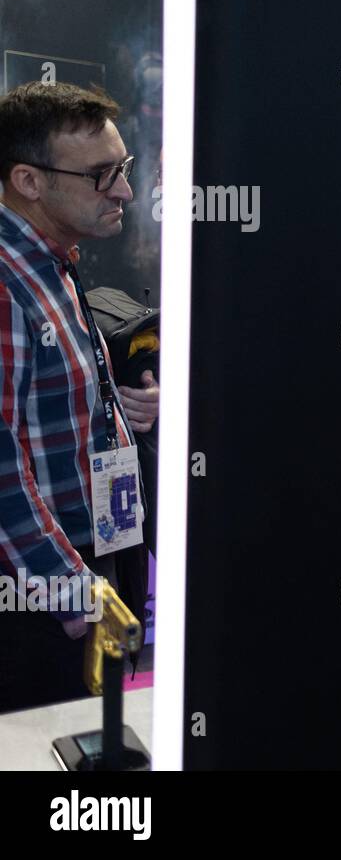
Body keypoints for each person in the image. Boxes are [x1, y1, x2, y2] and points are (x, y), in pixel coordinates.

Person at [0, 82, 160, 713]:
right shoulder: (8, 282)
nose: (123, 190)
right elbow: (3, 467)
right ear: (29, 181)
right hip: (42, 588)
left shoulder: (52, 259)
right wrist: (70, 592)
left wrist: (119, 407)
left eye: (122, 169)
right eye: (101, 175)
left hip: (91, 552)